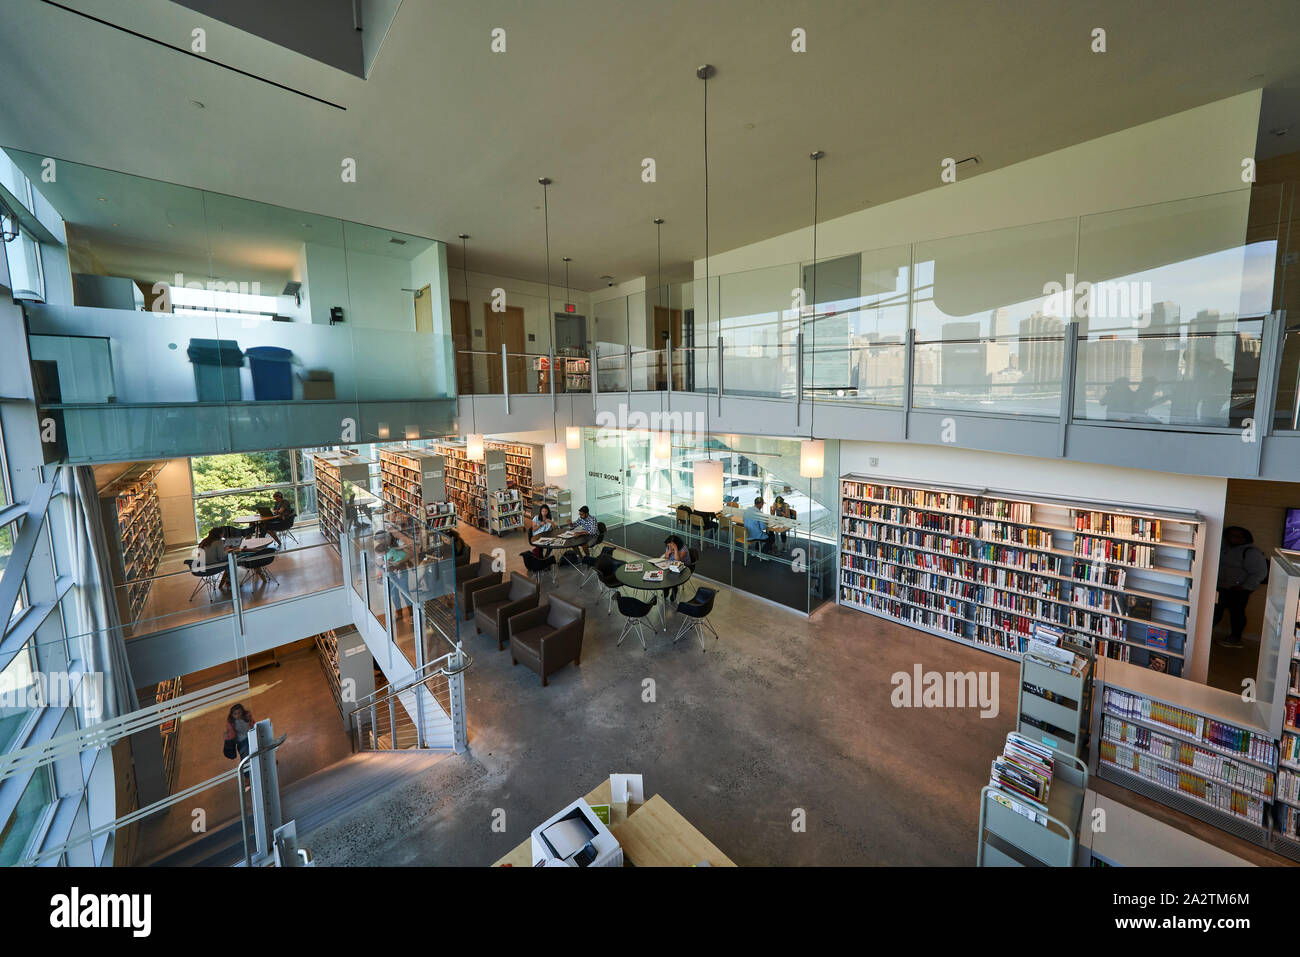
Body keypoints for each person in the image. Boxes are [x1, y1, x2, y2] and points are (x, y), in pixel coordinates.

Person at [1214, 526, 1268, 648]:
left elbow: (1260, 572)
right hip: (1222, 587)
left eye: (1235, 536)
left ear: (1244, 538)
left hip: (1238, 590)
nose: (1230, 538)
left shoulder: (1251, 552)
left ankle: (1235, 638)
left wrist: (1245, 587)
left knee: (1237, 614)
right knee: (1216, 612)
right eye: (1229, 535)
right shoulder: (1227, 549)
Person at [195, 527, 232, 592]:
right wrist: (227, 550)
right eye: (223, 533)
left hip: (202, 567)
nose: (223, 535)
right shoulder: (218, 542)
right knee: (231, 559)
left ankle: (227, 581)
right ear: (220, 534)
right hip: (213, 566)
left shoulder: (204, 541)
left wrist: (223, 550)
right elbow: (221, 556)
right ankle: (230, 582)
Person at [662, 534, 689, 603]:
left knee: (674, 575)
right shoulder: (669, 547)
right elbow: (666, 558)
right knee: (665, 573)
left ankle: (674, 589)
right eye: (668, 545)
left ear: (676, 544)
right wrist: (668, 552)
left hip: (684, 566)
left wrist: (676, 549)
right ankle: (666, 588)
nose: (669, 547)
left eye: (671, 545)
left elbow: (678, 561)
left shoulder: (683, 549)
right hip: (671, 565)